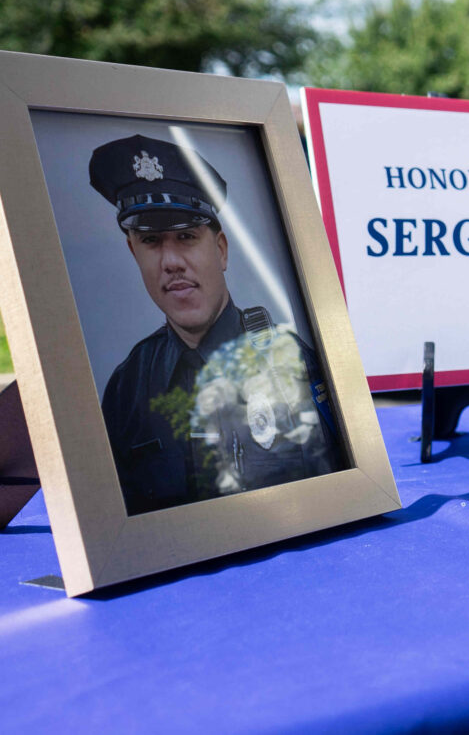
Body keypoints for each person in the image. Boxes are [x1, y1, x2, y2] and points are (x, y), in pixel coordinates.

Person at [89, 134, 340, 514]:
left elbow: (336, 495)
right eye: (151, 241)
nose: (171, 262)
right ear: (133, 252)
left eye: (186, 237)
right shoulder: (129, 385)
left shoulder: (289, 362)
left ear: (220, 250)